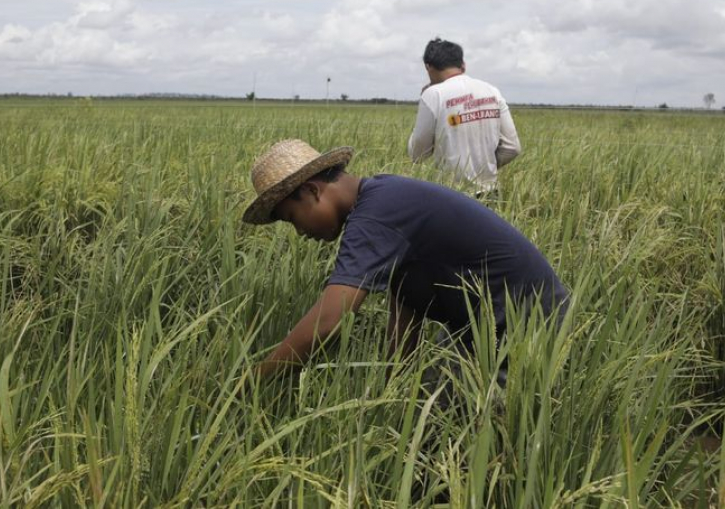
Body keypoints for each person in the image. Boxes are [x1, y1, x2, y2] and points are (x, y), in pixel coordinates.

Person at [243, 139, 567, 379]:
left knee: (444, 437)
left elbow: (329, 319)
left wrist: (254, 381)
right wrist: (395, 386)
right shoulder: (383, 199)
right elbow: (406, 306)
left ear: (313, 192)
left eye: (292, 217)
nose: (299, 231)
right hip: (488, 322)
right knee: (424, 399)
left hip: (527, 324)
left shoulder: (373, 217)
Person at [408, 38, 521, 193]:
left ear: (428, 67)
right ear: (463, 65)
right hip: (491, 192)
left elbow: (417, 153)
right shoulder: (491, 91)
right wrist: (485, 169)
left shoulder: (433, 94)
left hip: (450, 195)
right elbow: (512, 147)